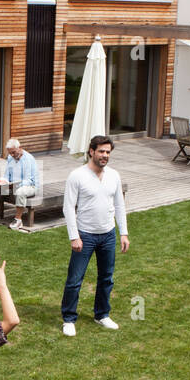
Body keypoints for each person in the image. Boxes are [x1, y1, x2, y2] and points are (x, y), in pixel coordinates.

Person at [60, 135, 129, 337]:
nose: (104, 155)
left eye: (108, 152)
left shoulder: (114, 176)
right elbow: (68, 208)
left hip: (108, 235)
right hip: (85, 235)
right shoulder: (77, 176)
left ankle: (102, 315)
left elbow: (119, 205)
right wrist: (74, 236)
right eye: (101, 151)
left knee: (106, 278)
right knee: (75, 279)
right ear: (91, 151)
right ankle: (69, 318)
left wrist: (123, 233)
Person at [0, 138, 39, 230]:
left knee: (20, 192)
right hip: (13, 185)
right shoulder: (10, 158)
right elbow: (7, 175)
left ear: (20, 148)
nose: (12, 155)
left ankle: (18, 220)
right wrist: (4, 182)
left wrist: (15, 185)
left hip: (29, 186)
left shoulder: (28, 159)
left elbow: (29, 180)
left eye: (13, 152)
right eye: (10, 153)